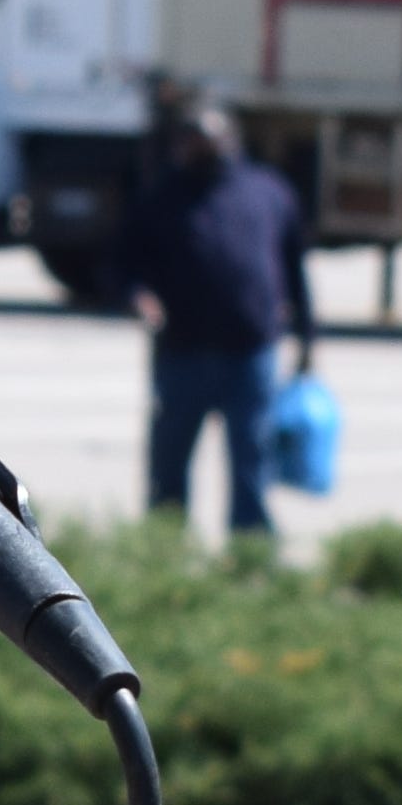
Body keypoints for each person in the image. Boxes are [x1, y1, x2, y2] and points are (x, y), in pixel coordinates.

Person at [126, 94, 315, 540]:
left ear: (228, 139)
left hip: (249, 355)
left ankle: (249, 554)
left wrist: (307, 343)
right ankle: (164, 548)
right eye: (187, 138)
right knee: (169, 465)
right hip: (182, 353)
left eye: (204, 138)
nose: (194, 147)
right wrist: (140, 297)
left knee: (251, 464)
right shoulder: (162, 196)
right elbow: (123, 262)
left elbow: (295, 272)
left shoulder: (266, 191)